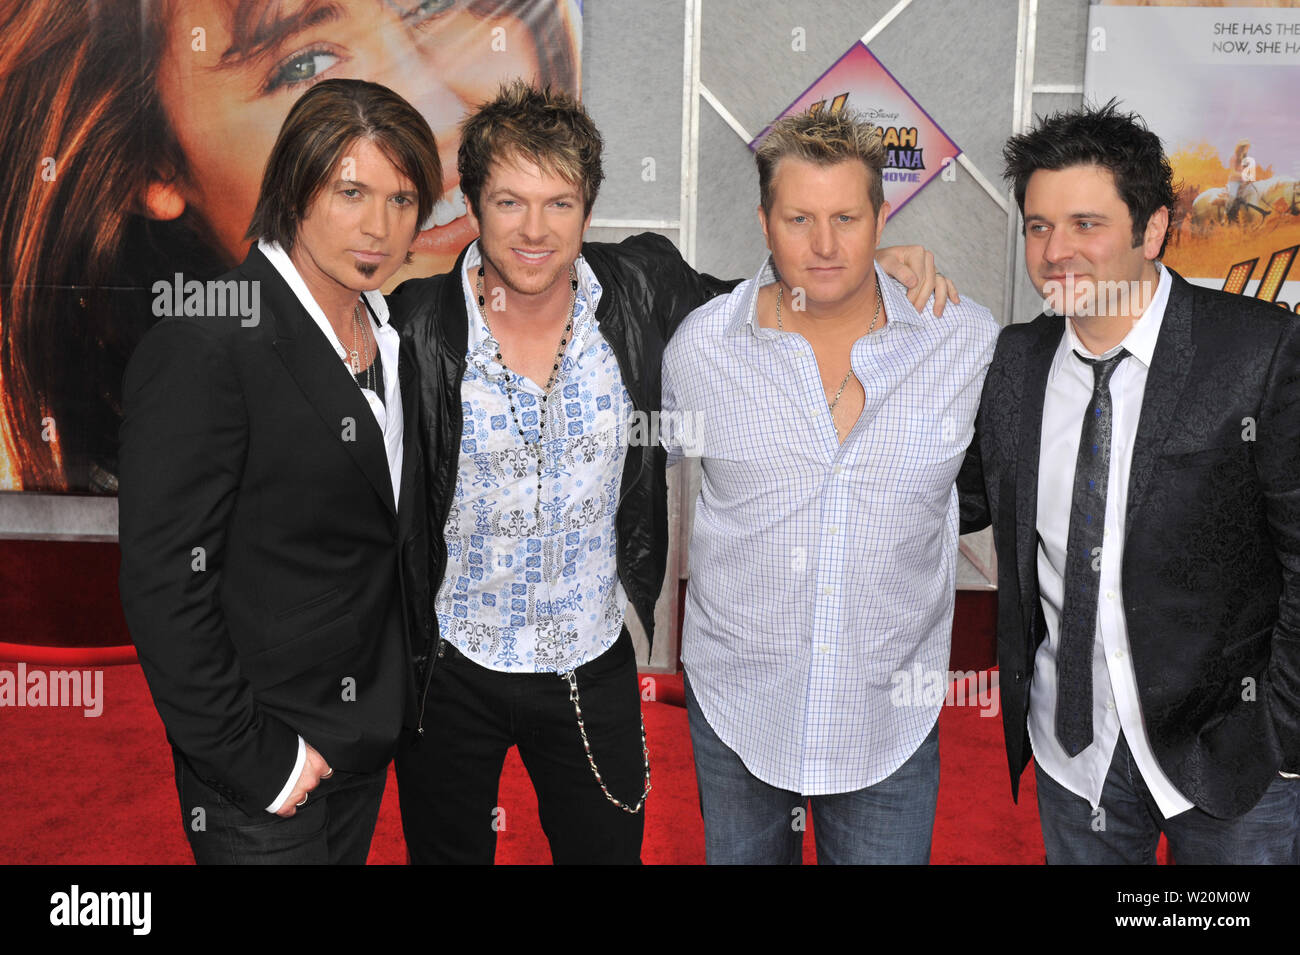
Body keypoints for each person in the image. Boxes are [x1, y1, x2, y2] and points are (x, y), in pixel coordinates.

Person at [388, 81, 957, 865]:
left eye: (559, 203)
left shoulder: (643, 291)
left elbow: (758, 307)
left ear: (588, 210)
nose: (533, 229)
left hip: (589, 663)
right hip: (449, 669)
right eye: (510, 201)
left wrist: (865, 271)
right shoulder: (413, 325)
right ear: (474, 204)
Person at [0, 0, 578, 492]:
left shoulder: (626, 321)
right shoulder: (196, 433)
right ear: (154, 161)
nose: (442, 118)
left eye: (433, 4)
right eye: (304, 64)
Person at [958, 102, 1300, 864]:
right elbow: (958, 497)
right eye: (1039, 226)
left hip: (1232, 759)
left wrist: (1283, 729)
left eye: (1086, 224)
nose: (1055, 252)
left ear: (1152, 230)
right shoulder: (1016, 362)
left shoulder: (1257, 351)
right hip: (1071, 751)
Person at [661, 111, 998, 865]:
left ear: (882, 216)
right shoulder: (703, 349)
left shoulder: (964, 341)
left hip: (887, 718)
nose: (823, 245)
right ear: (763, 222)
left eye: (847, 217)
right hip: (739, 708)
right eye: (798, 218)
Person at [118, 78, 440, 864]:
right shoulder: (210, 339)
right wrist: (257, 758)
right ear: (294, 190)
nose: (379, 227)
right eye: (351, 192)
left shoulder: (392, 333)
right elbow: (164, 582)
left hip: (361, 742)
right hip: (264, 768)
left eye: (402, 200)